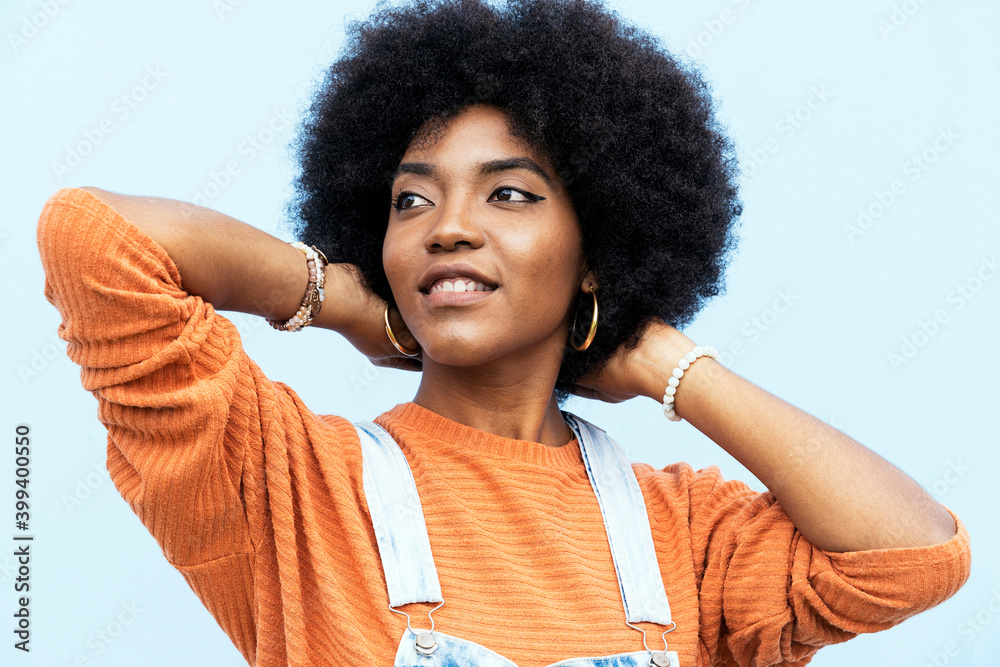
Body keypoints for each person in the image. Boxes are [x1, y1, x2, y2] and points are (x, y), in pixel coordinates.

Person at [37, 0, 970, 665]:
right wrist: (350, 300)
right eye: (412, 199)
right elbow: (93, 235)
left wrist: (660, 360)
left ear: (597, 246)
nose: (448, 224)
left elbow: (914, 556)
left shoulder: (684, 533)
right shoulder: (290, 487)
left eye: (510, 193)